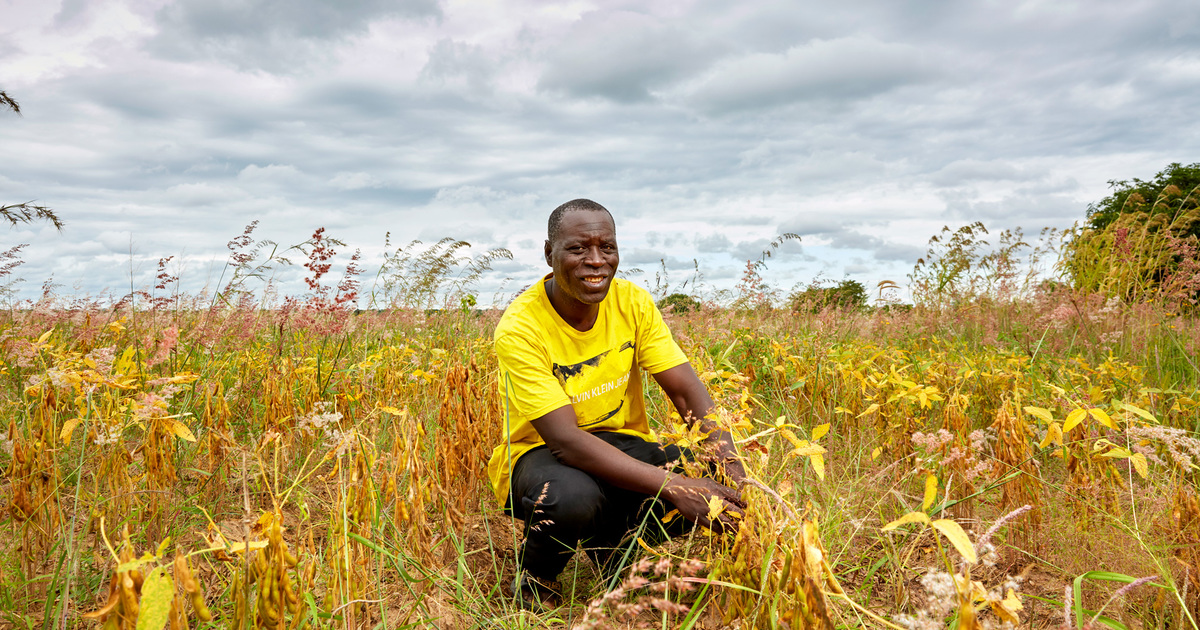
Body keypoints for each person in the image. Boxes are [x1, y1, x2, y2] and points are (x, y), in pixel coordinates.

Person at [486, 198, 748, 609]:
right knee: (572, 498)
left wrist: (733, 469)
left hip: (620, 440)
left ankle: (615, 549)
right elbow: (566, 442)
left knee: (708, 470)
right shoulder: (520, 327)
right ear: (548, 254)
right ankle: (536, 580)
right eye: (577, 249)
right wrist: (675, 487)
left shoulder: (632, 302)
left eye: (606, 247)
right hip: (541, 454)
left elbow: (684, 390)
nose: (596, 261)